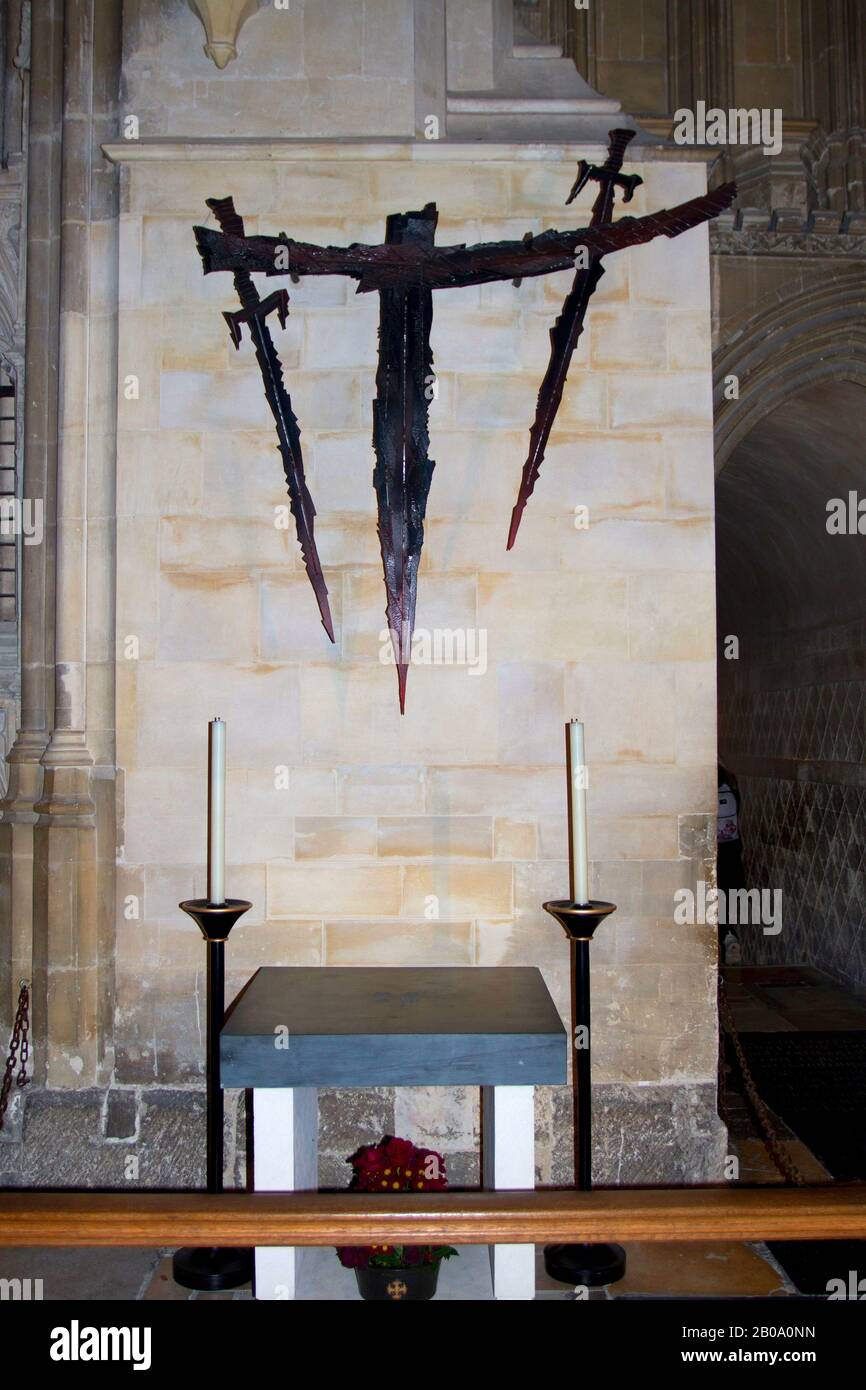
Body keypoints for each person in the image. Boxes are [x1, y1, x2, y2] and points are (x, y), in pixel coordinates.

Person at [717, 764, 745, 964]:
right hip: (732, 848)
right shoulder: (731, 783)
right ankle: (727, 933)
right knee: (726, 897)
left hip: (714, 852)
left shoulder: (705, 785)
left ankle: (724, 935)